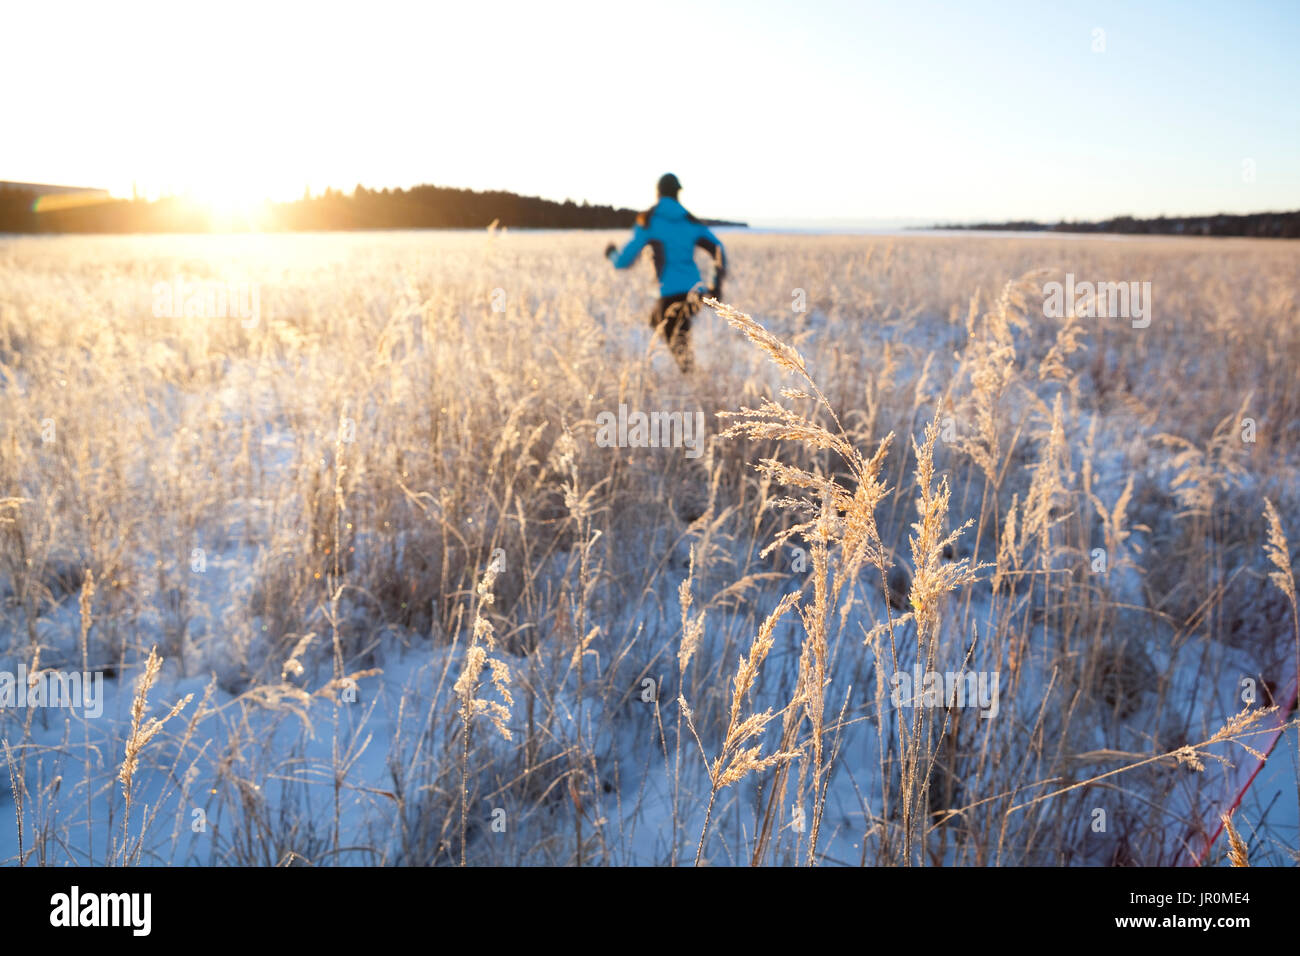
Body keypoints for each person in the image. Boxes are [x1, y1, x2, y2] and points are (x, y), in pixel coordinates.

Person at [605, 173, 727, 374]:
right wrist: (716, 285)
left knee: (680, 350)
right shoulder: (690, 220)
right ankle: (683, 377)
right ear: (678, 193)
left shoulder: (650, 220)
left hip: (670, 295)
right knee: (658, 324)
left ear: (658, 192)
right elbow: (718, 249)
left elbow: (623, 262)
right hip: (695, 292)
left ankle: (692, 386)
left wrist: (612, 254)